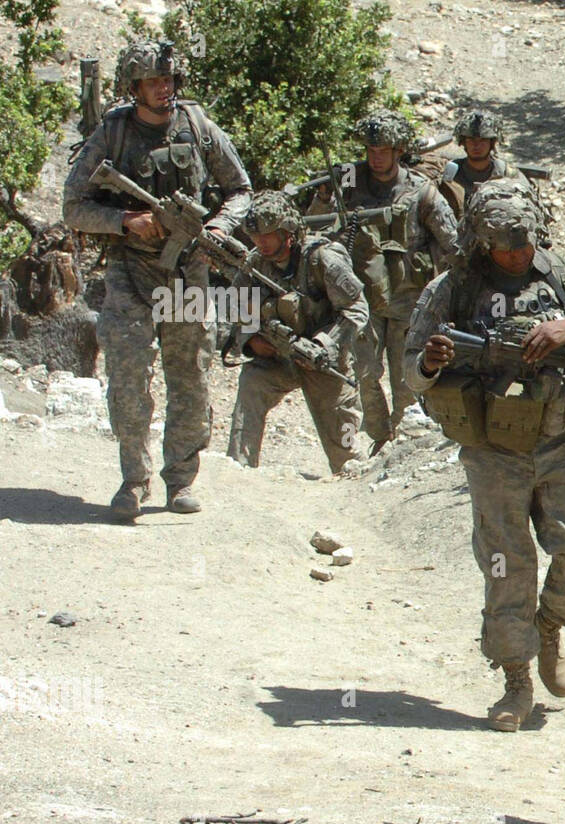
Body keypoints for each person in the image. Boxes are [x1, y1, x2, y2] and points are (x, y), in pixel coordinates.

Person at [404, 181, 565, 732]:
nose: (518, 254)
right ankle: (516, 679)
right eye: (506, 247)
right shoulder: (451, 288)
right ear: (481, 243)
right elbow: (410, 369)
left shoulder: (563, 275)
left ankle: (550, 625)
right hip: (492, 452)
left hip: (561, 441)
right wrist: (433, 362)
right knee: (507, 564)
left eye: (524, 244)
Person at [63, 39, 251, 518]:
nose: (163, 88)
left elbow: (240, 190)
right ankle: (133, 480)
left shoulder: (197, 124)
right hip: (130, 272)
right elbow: (74, 207)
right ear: (135, 87)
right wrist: (127, 222)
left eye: (168, 79)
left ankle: (180, 480)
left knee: (188, 375)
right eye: (152, 81)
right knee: (128, 378)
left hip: (186, 273)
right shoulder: (114, 134)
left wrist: (215, 228)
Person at [309, 109, 458, 453]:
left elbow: (452, 243)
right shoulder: (348, 180)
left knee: (406, 373)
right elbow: (316, 228)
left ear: (398, 151)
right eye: (370, 151)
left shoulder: (421, 191)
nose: (375, 158)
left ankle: (407, 437)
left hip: (410, 298)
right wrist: (323, 196)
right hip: (361, 297)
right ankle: (380, 438)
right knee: (364, 371)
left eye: (383, 151)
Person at [226, 191, 367, 474]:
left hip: (324, 363)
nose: (260, 243)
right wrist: (251, 342)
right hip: (281, 359)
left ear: (287, 232)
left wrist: (323, 344)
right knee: (252, 381)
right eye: (255, 236)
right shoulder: (255, 265)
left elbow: (357, 308)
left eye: (267, 235)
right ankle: (239, 469)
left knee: (347, 454)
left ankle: (354, 481)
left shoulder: (322, 258)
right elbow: (235, 309)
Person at [441, 110, 533, 215]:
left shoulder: (508, 174)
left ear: (492, 143)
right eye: (471, 140)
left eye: (482, 141)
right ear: (463, 143)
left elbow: (528, 209)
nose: (476, 146)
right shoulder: (450, 173)